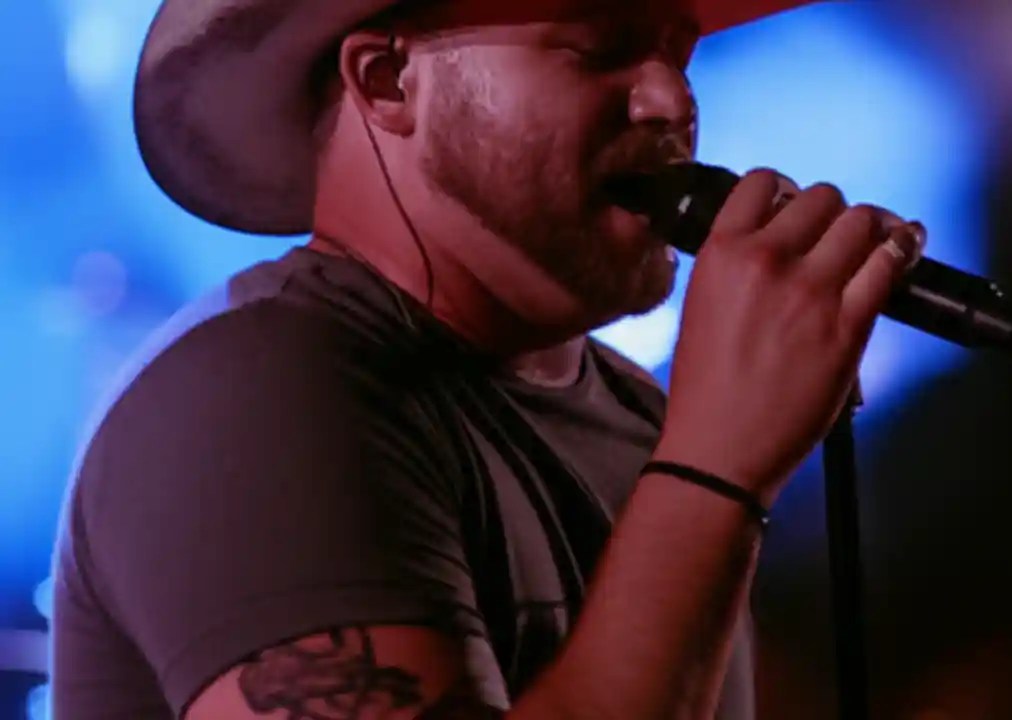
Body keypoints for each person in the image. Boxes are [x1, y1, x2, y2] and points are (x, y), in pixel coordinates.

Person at [50, 0, 926, 717]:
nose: (670, 100)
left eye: (678, 54)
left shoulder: (634, 417)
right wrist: (718, 468)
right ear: (389, 81)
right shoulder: (255, 396)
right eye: (600, 49)